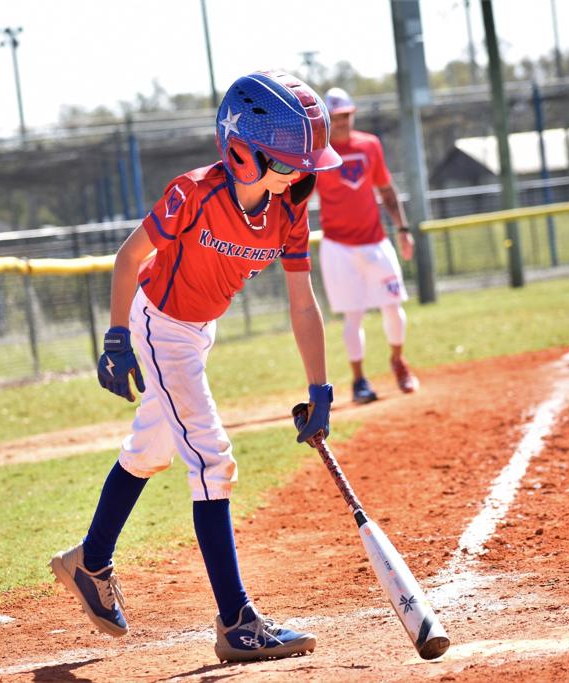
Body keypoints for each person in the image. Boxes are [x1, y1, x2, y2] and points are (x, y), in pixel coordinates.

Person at [49, 70, 340, 663]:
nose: (299, 174)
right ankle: (236, 621)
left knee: (153, 451)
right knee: (211, 458)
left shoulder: (289, 213)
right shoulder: (193, 193)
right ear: (242, 152)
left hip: (198, 332)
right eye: (288, 163)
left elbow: (303, 303)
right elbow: (130, 257)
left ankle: (89, 561)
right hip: (159, 324)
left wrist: (320, 388)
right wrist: (116, 337)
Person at [313, 87, 419, 403]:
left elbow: (386, 190)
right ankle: (359, 380)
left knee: (394, 306)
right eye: (335, 118)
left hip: (375, 241)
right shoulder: (318, 154)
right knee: (353, 315)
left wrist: (402, 229)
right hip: (338, 247)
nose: (342, 122)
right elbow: (299, 198)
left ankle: (398, 361)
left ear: (352, 114)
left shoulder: (369, 145)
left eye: (345, 115)